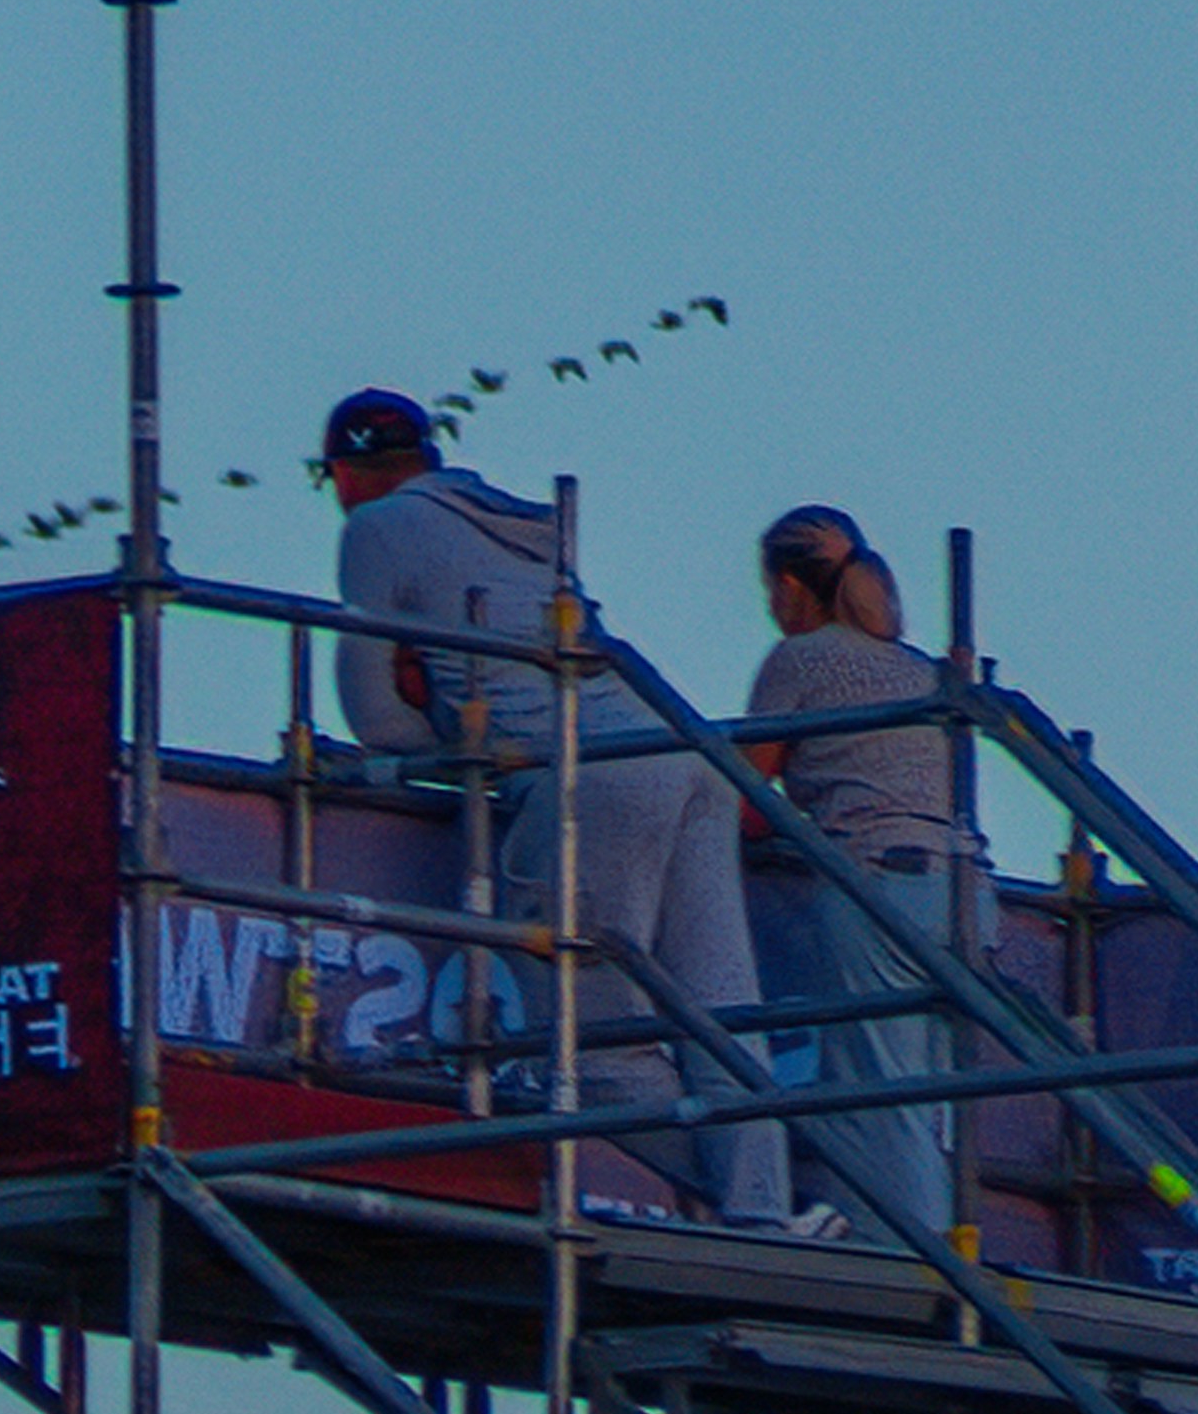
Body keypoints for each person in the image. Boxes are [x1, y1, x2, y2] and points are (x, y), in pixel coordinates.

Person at [317, 388, 796, 1231]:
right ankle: (766, 1202)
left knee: (593, 1032)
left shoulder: (375, 529)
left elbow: (372, 718)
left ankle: (719, 1209)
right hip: (678, 751)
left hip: (585, 778)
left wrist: (427, 724)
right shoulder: (515, 529)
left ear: (344, 474)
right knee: (721, 1013)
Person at [743, 502, 977, 1247]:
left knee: (879, 1092)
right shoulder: (917, 669)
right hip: (964, 888)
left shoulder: (801, 659)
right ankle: (883, 1227)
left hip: (879, 882)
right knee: (916, 1094)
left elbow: (746, 795)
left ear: (786, 586)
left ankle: (910, 1255)